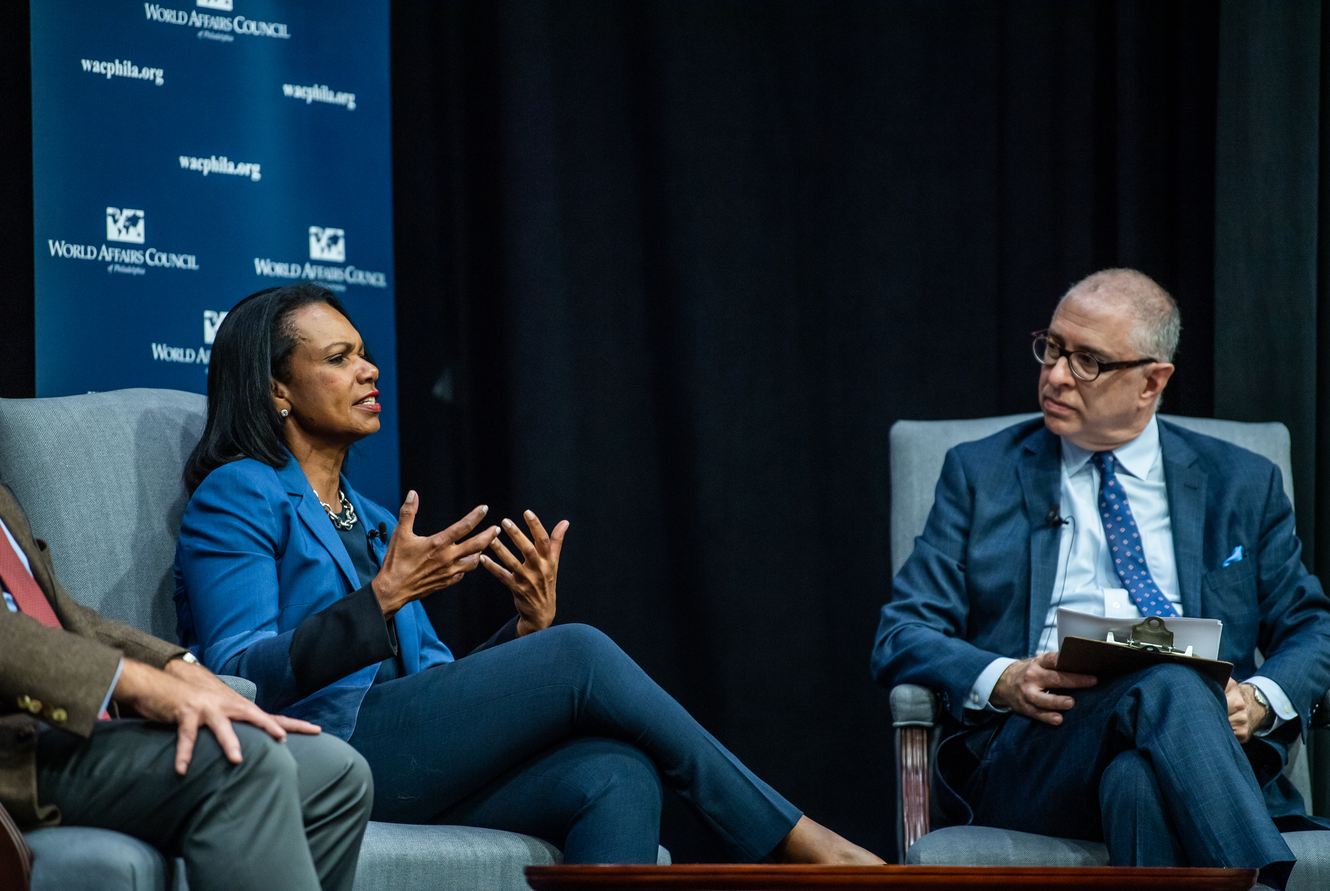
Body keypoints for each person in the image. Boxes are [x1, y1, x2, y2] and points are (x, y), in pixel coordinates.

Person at [173, 282, 881, 866]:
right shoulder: (241, 491)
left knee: (615, 773)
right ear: (277, 393)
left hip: (405, 759)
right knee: (579, 651)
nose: (370, 369)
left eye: (364, 353)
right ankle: (799, 840)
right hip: (324, 753)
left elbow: (435, 685)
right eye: (340, 357)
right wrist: (380, 600)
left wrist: (524, 629)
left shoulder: (379, 519)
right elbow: (239, 671)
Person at [872, 268, 1330, 888]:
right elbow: (902, 632)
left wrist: (1258, 698)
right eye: (1053, 348)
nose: (1057, 374)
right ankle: (1267, 885)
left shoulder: (1240, 483)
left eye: (1087, 360)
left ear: (1151, 381)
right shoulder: (980, 473)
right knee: (1169, 678)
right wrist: (1005, 679)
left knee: (1137, 785)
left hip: (1203, 746)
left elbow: (1311, 626)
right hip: (1041, 747)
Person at [0, 461, 372, 891]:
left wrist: (181, 669)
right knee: (243, 761)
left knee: (338, 772)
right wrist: (138, 684)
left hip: (72, 732)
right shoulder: (240, 492)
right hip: (12, 749)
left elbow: (71, 617)